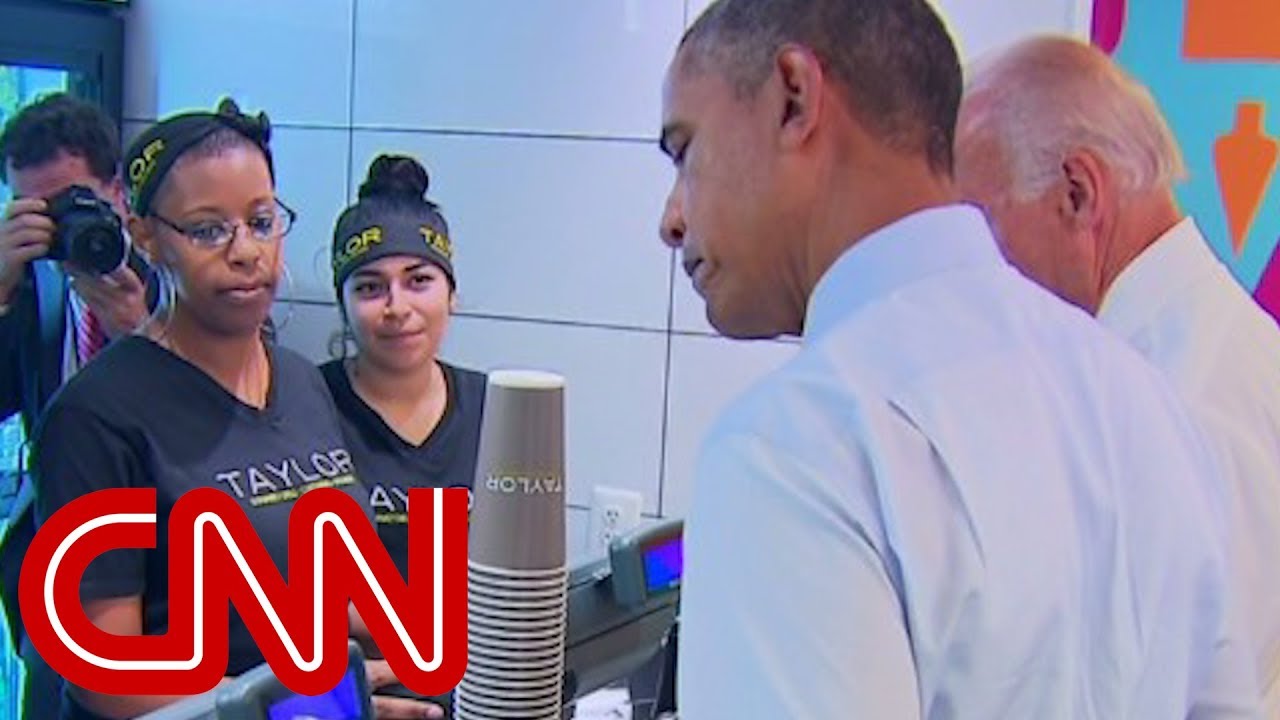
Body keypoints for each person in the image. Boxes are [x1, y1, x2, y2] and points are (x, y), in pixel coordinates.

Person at [656, 0, 1261, 717]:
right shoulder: (1143, 402)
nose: (672, 218)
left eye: (685, 151)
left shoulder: (794, 450)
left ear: (794, 97)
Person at [29, 100, 438, 720]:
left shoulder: (300, 382)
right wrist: (295, 709)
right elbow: (103, 675)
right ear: (146, 238)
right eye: (207, 229)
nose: (246, 251)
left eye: (261, 220)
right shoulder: (96, 416)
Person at [954, 36, 1280, 714]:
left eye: (979, 226)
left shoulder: (1185, 403)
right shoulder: (1192, 357)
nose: (968, 267)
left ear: (1078, 193)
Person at [0, 92, 149, 720]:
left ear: (116, 191)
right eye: (37, 209)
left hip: (161, 558)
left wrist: (137, 334)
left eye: (70, 203)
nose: (57, 226)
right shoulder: (28, 286)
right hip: (56, 561)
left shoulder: (172, 273)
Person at [321, 155, 485, 718]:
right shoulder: (304, 408)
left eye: (419, 281)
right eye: (370, 286)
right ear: (342, 305)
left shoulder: (500, 410)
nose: (398, 308)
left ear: (451, 293)